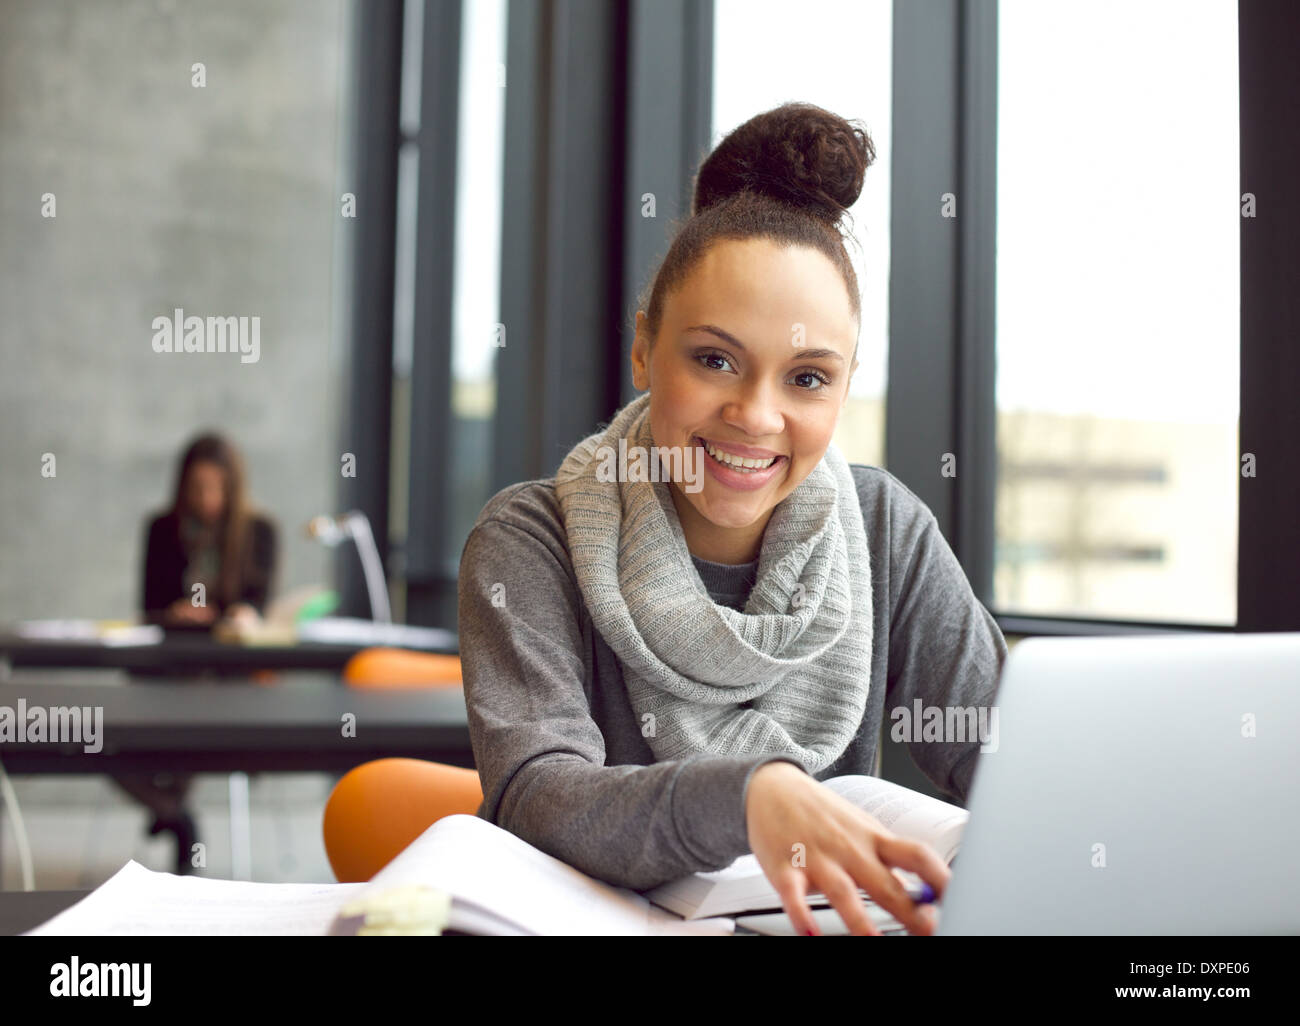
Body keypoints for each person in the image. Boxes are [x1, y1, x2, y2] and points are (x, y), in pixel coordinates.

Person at [456, 102, 1007, 936]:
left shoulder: (883, 528)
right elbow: (537, 798)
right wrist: (746, 796)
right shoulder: (530, 540)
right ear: (645, 346)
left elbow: (1010, 768)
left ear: (846, 384)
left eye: (808, 379)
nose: (755, 415)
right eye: (714, 360)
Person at [118, 432, 277, 874]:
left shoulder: (258, 532)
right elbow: (148, 606)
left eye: (215, 488)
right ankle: (176, 812)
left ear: (232, 487)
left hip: (228, 678)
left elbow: (257, 607)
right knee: (93, 736)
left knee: (185, 715)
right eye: (196, 487)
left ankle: (168, 809)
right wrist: (175, 612)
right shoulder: (162, 529)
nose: (206, 499)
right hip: (166, 670)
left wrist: (230, 615)